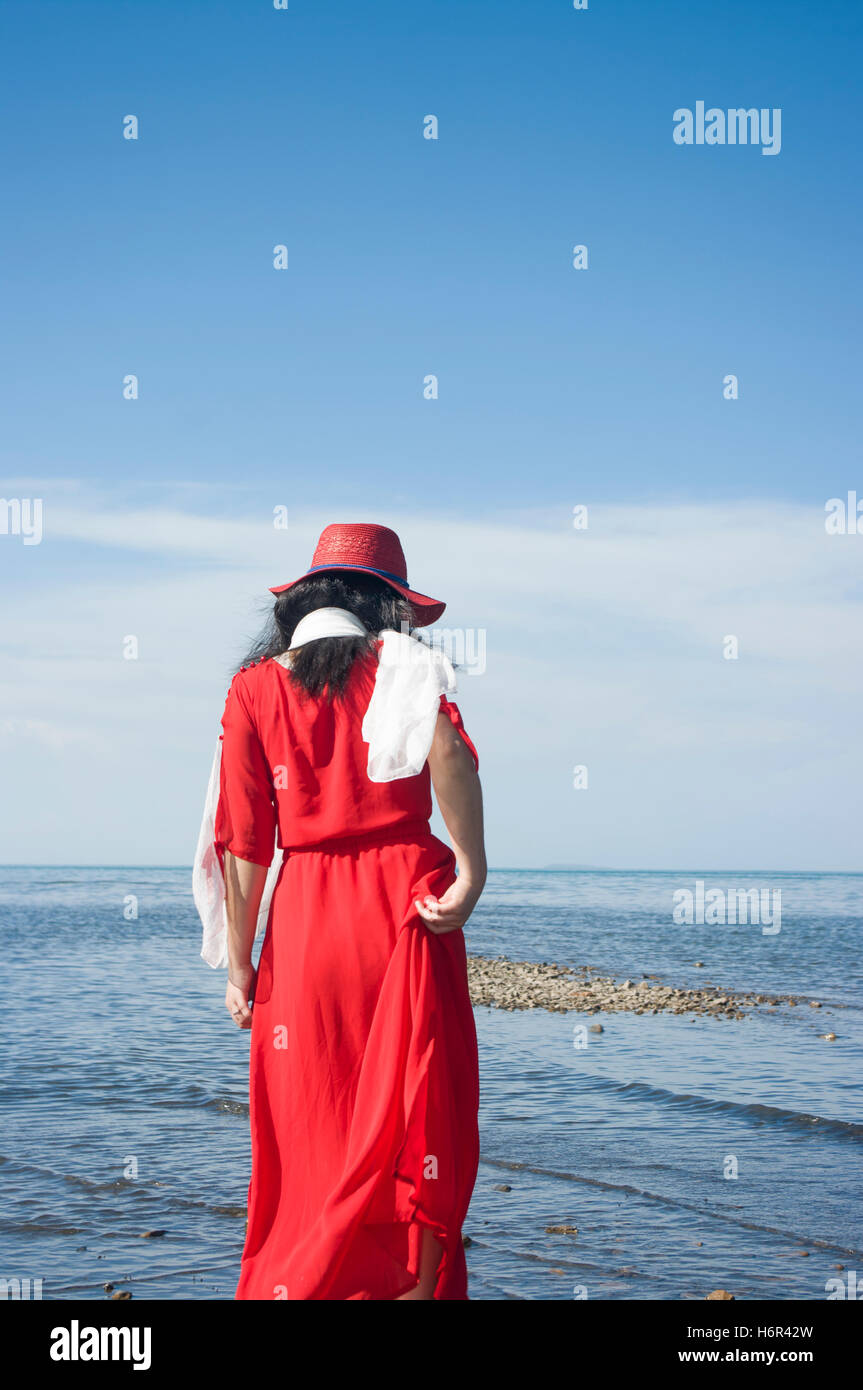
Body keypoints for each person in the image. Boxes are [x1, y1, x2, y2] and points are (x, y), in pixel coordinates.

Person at [193, 522, 485, 1300]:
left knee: (310, 1120)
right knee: (418, 1107)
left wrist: (243, 966)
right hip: (403, 909)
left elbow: (247, 843)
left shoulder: (254, 688)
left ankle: (308, 1281)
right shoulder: (408, 667)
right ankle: (413, 1290)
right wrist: (471, 870)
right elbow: (450, 756)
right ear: (384, 603)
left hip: (309, 918)